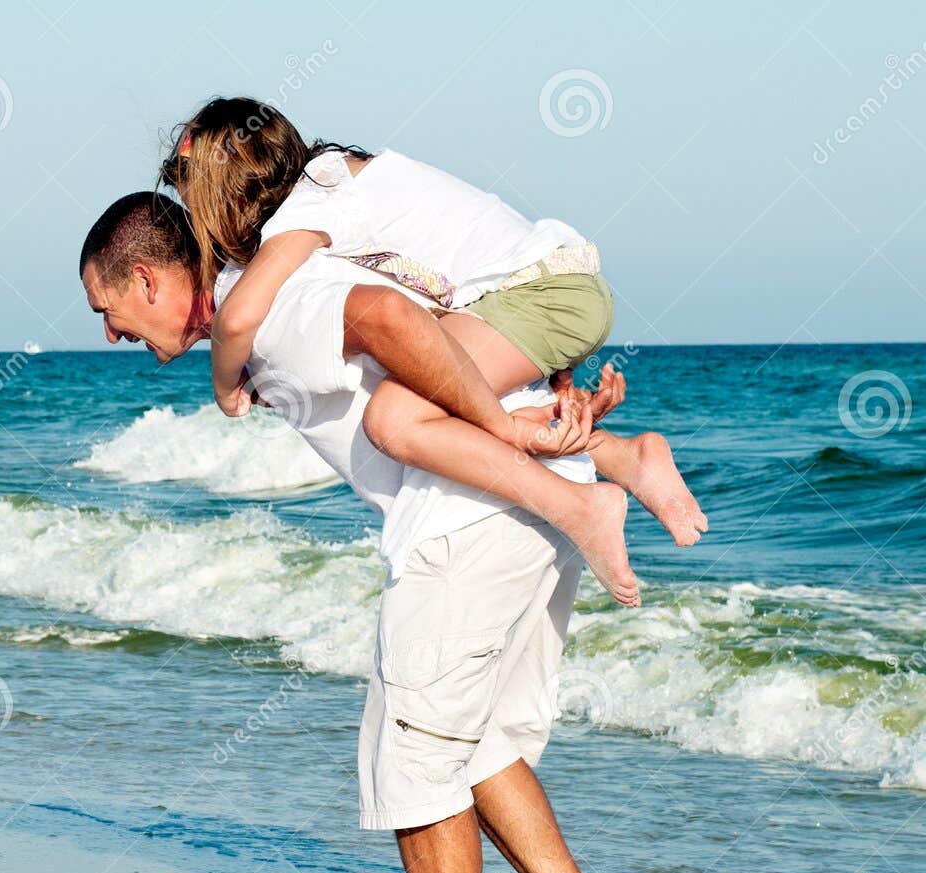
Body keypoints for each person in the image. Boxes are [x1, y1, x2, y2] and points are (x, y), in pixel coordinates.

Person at [80, 192, 638, 873]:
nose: (111, 334)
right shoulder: (278, 298)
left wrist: (501, 422)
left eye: (106, 310)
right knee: (477, 744)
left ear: (147, 279)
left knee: (413, 756)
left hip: (465, 521)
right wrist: (545, 407)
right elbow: (444, 308)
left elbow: (384, 314)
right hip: (524, 511)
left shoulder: (276, 309)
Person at [161, 97, 711, 607]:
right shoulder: (339, 179)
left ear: (229, 193)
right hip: (557, 284)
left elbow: (238, 316)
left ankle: (582, 508)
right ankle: (624, 457)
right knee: (439, 393)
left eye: (197, 209)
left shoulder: (311, 204)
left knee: (395, 420)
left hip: (542, 294)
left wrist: (226, 388)